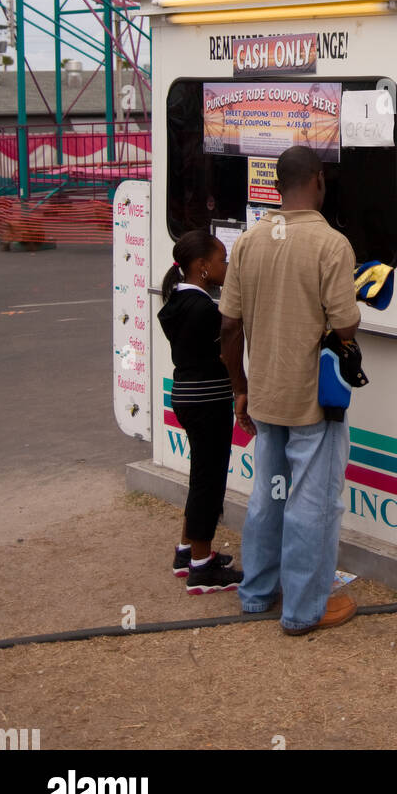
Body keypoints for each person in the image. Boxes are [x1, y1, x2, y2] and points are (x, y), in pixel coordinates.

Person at [219, 146, 361, 636]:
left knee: (267, 495)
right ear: (318, 181)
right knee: (313, 503)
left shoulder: (248, 241)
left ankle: (257, 593)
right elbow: (345, 324)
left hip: (265, 393)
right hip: (312, 400)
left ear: (278, 185)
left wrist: (240, 389)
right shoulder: (332, 245)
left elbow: (230, 326)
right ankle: (304, 610)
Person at [157, 231, 244, 594]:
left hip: (186, 396)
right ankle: (201, 568)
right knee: (209, 481)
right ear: (202, 267)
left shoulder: (176, 301)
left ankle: (187, 550)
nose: (226, 266)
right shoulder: (205, 310)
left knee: (200, 475)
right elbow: (226, 346)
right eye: (222, 260)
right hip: (208, 400)